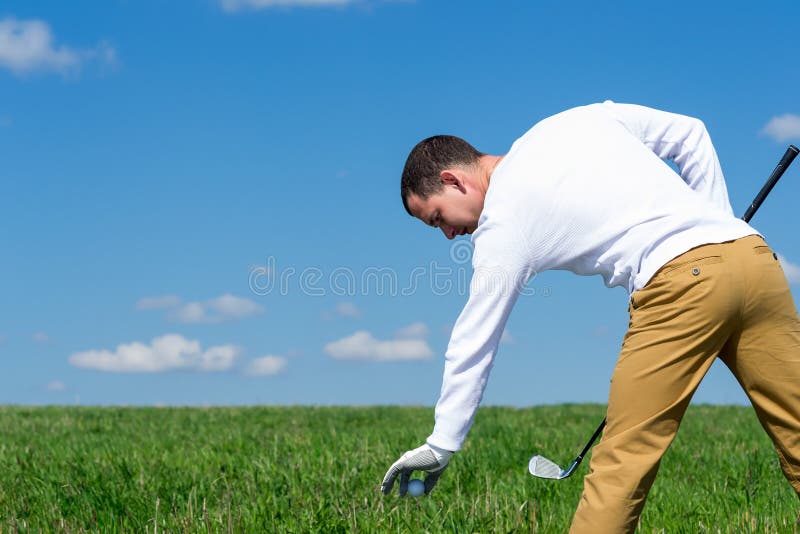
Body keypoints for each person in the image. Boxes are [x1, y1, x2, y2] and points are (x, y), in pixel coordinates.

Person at [379, 100, 800, 532]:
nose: (449, 233)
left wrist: (443, 442)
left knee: (620, 469)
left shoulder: (504, 222)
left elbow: (475, 337)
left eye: (437, 218)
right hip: (753, 259)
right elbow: (691, 132)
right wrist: (715, 224)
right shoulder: (569, 122)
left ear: (452, 180)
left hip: (680, 287)